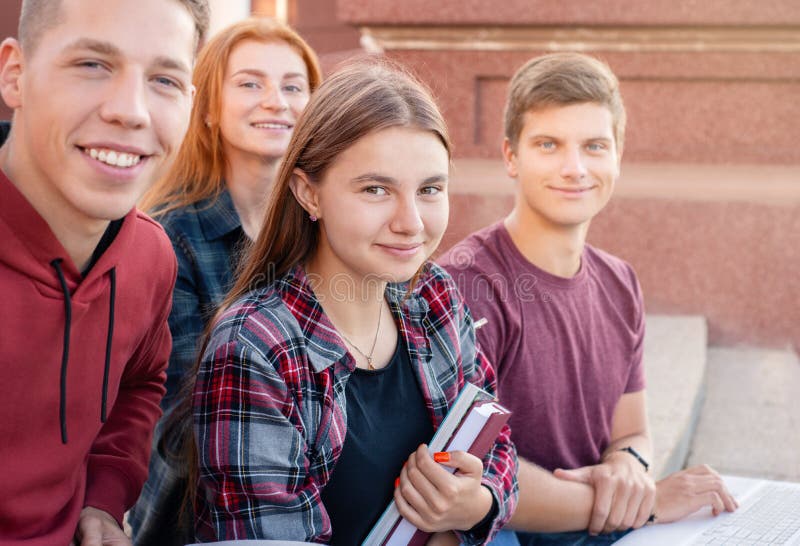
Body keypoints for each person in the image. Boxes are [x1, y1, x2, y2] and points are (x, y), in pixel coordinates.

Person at [189, 60, 518, 545]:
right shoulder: (256, 348)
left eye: (429, 189)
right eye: (375, 189)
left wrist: (478, 502)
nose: (411, 222)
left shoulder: (434, 296)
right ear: (309, 193)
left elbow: (497, 444)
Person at [439, 52, 737, 545]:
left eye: (595, 146)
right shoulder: (468, 285)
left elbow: (632, 433)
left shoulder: (620, 282)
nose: (574, 168)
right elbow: (468, 471)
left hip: (596, 531)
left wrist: (624, 466)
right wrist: (647, 503)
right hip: (501, 534)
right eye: (549, 144)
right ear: (511, 156)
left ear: (617, 155)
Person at [0, 0, 208, 544]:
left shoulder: (153, 256)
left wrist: (105, 496)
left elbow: (141, 381)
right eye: (93, 64)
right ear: (15, 75)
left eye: (164, 79)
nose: (131, 111)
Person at [129, 18, 321, 545]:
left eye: (292, 86)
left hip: (321, 497)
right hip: (199, 516)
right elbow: (185, 418)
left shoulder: (328, 230)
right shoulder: (172, 234)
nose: (276, 102)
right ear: (208, 107)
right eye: (250, 83)